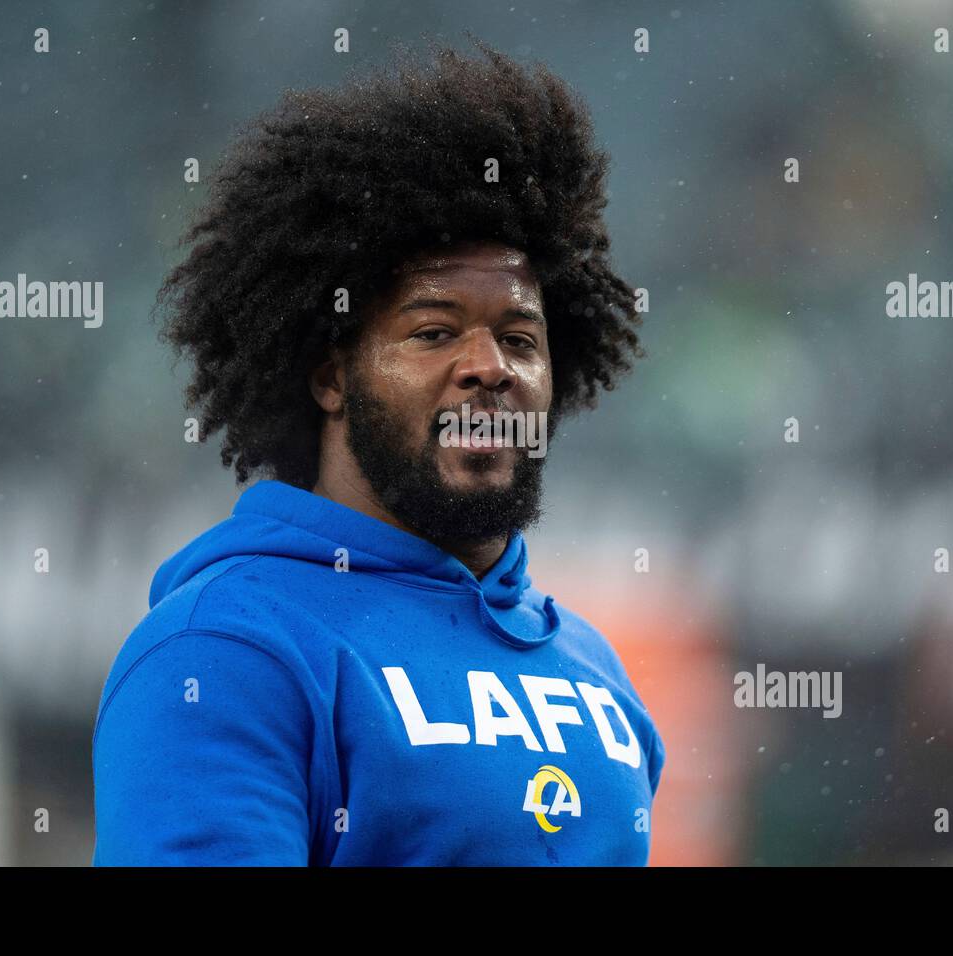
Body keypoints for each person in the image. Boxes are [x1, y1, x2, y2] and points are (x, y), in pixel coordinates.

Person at [91, 39, 665, 865]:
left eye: (519, 338)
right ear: (332, 377)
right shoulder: (223, 651)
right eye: (434, 332)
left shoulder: (596, 670)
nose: (488, 368)